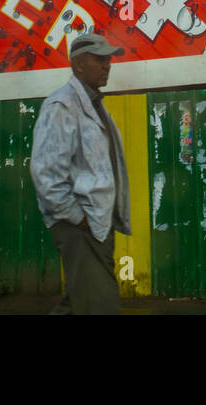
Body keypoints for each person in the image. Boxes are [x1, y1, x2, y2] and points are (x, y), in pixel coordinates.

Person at [30, 31, 131, 314]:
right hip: (80, 224)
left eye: (108, 59)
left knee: (78, 303)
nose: (107, 65)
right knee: (100, 305)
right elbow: (46, 174)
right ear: (78, 65)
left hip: (96, 222)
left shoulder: (94, 105)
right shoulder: (62, 106)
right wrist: (78, 218)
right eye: (99, 59)